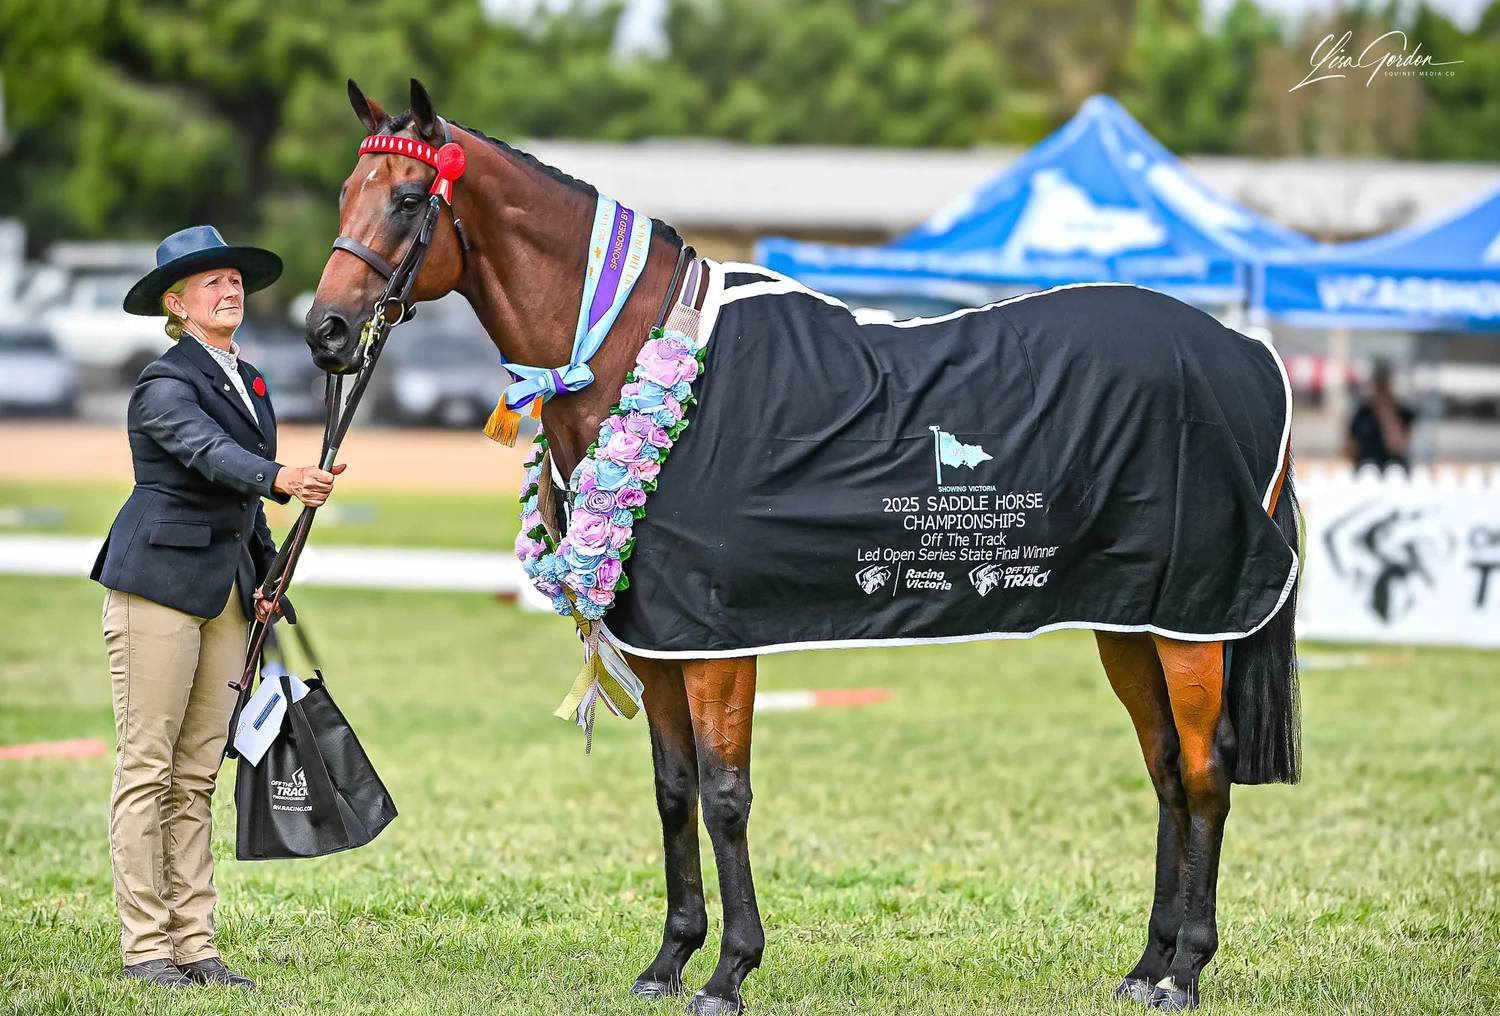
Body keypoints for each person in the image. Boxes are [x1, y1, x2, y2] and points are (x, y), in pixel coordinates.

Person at [90, 225, 344, 989]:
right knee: (148, 769)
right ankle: (146, 947)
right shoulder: (164, 382)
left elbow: (243, 504)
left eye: (234, 280)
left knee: (197, 774)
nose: (229, 291)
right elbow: (205, 453)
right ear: (177, 303)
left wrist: (268, 576)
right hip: (158, 588)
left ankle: (195, 944)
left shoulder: (250, 379)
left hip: (228, 596)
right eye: (211, 284)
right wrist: (279, 474)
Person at [1345, 360, 1415, 471]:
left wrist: (1386, 412)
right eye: (1379, 384)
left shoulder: (1402, 413)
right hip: (1366, 471)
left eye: (1384, 384)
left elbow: (1397, 445)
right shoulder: (1363, 414)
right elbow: (1350, 448)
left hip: (1393, 472)